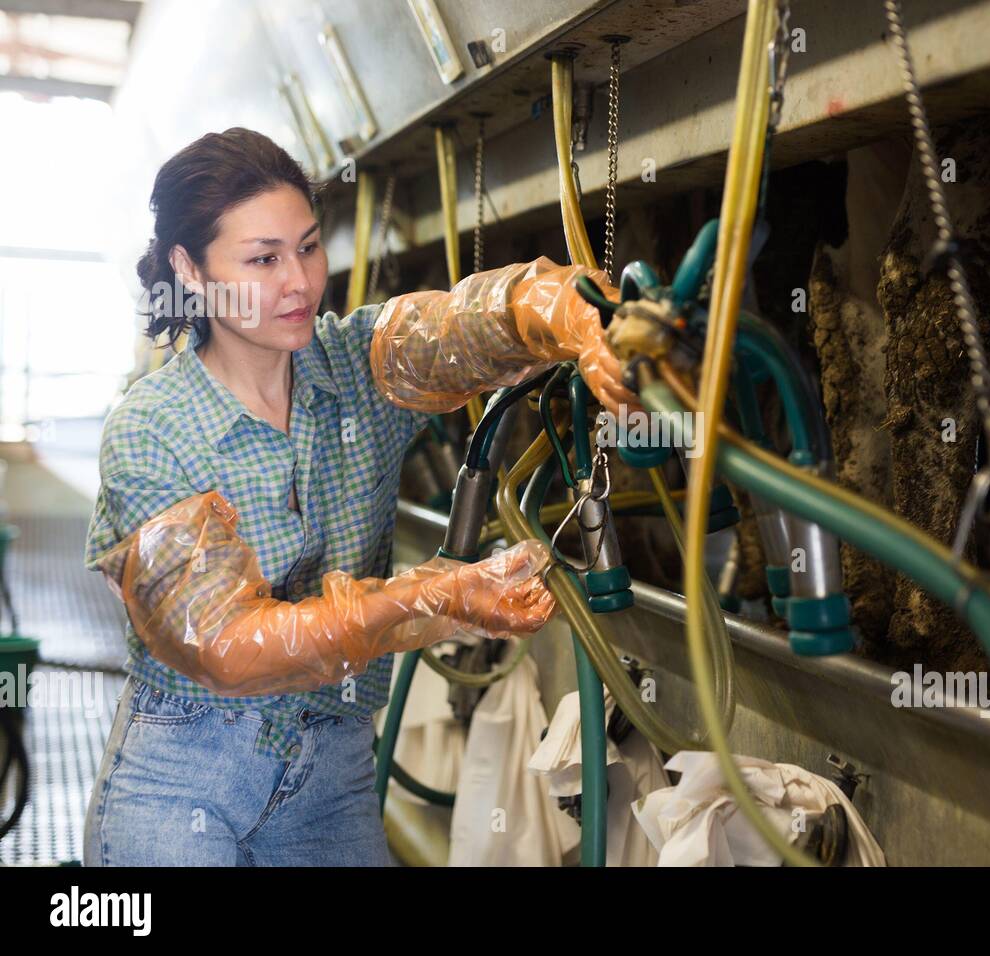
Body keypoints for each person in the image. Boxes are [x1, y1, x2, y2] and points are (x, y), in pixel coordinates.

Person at [81, 127, 630, 866]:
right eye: (263, 259)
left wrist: (569, 312)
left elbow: (467, 325)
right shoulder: (150, 431)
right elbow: (230, 648)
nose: (301, 282)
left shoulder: (355, 365)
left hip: (332, 773)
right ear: (189, 268)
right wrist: (436, 600)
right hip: (187, 779)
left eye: (308, 247)